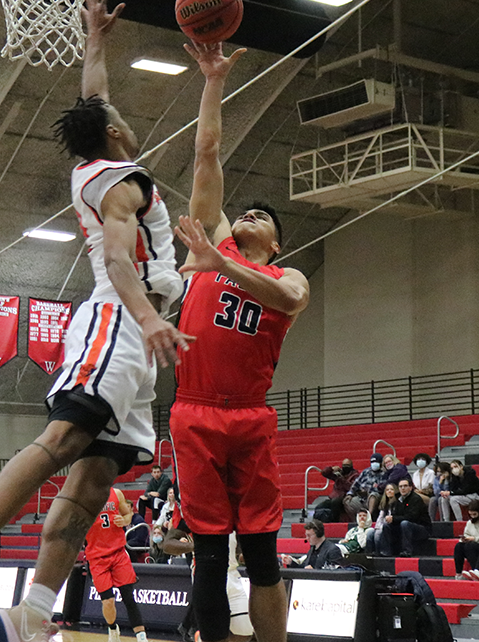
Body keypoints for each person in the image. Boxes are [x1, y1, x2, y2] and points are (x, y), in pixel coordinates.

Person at [0, 0, 195, 642]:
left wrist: (96, 41)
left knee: (93, 482)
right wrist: (150, 320)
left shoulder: (102, 163)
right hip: (118, 321)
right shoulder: (122, 183)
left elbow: (95, 103)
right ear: (118, 134)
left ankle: (33, 613)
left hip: (134, 339)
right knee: (65, 440)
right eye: (117, 117)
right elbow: (121, 263)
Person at [170, 39, 312, 642]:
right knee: (206, 552)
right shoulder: (213, 246)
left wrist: (217, 266)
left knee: (260, 554)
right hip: (195, 411)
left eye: (263, 218)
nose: (248, 217)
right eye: (244, 214)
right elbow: (208, 152)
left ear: (276, 244)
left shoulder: (287, 276)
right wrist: (212, 80)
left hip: (250, 417)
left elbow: (287, 300)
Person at [85, 488, 147, 642]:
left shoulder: (116, 493)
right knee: (108, 601)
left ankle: (141, 637)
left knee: (128, 597)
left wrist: (125, 520)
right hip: (97, 557)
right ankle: (113, 629)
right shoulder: (83, 496)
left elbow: (128, 514)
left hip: (118, 552)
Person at [378, 478, 431, 557]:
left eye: (405, 486)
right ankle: (387, 551)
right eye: (400, 486)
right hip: (404, 526)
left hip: (422, 528)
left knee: (405, 523)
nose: (403, 488)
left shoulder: (415, 499)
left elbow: (412, 517)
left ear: (410, 487)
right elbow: (396, 515)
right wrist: (391, 518)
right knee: (387, 525)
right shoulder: (398, 499)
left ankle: (407, 550)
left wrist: (394, 518)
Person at [450, 499, 479, 577]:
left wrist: (474, 539)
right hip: (472, 545)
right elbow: (466, 535)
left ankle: (476, 570)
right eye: (471, 514)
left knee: (470, 546)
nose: (473, 517)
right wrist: (464, 540)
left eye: (475, 514)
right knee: (459, 546)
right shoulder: (470, 522)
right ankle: (458, 573)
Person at [345, 454, 387, 518]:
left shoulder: (384, 473)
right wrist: (350, 494)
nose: (374, 464)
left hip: (376, 497)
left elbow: (382, 488)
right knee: (347, 501)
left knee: (373, 495)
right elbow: (356, 483)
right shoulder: (366, 471)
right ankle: (357, 519)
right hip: (362, 497)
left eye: (376, 462)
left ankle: (369, 517)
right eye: (372, 462)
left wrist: (367, 491)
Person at [365, 483, 397, 555]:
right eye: (387, 490)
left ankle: (379, 551)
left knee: (378, 533)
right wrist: (377, 528)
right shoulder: (384, 504)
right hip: (383, 525)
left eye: (391, 489)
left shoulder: (397, 503)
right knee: (370, 532)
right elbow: (380, 518)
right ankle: (369, 553)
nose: (389, 491)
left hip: (392, 527)